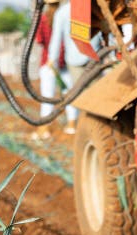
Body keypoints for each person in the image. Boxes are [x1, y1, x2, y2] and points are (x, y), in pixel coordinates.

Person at [47, 1, 103, 134]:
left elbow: (56, 38)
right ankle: (96, 127)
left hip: (76, 59)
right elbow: (103, 30)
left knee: (81, 96)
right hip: (93, 57)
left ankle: (90, 128)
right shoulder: (92, 6)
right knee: (95, 94)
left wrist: (52, 59)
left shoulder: (62, 12)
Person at [32, 0, 63, 140]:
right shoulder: (64, 15)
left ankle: (44, 129)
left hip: (48, 61)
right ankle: (72, 125)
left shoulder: (43, 19)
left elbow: (39, 39)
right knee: (69, 95)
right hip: (64, 61)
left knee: (47, 96)